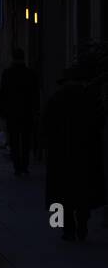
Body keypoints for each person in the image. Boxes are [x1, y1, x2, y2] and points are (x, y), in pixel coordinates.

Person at [43, 61, 106, 241]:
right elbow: (100, 122)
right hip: (85, 154)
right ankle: (82, 226)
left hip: (61, 155)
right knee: (83, 192)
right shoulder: (90, 98)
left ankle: (67, 228)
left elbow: (46, 125)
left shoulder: (56, 99)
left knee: (62, 193)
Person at [1, 48, 40, 176]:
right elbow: (35, 94)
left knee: (14, 140)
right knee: (26, 139)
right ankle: (24, 165)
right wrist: (36, 110)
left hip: (12, 112)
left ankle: (17, 166)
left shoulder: (7, 74)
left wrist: (4, 111)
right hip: (27, 112)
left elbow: (4, 94)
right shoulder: (30, 74)